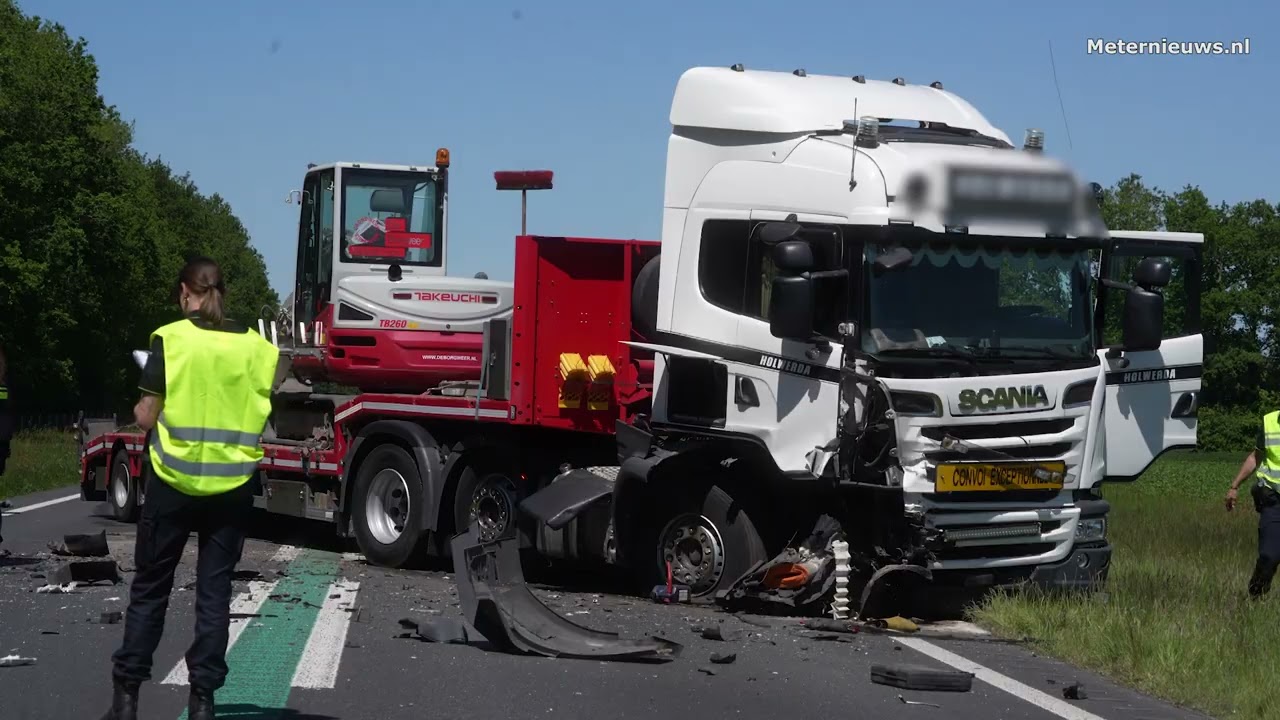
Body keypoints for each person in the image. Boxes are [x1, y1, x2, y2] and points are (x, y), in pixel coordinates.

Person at [101, 257, 279, 720]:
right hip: (232, 487)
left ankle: (126, 700)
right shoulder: (257, 348)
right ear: (222, 291)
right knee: (214, 595)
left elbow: (146, 416)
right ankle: (203, 702)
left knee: (151, 589)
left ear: (185, 292)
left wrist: (144, 411)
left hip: (172, 483)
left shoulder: (171, 338)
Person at [1225, 410, 1280, 598]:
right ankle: (1255, 596)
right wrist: (1234, 486)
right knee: (1269, 555)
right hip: (1274, 500)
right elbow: (1255, 457)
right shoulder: (1270, 421)